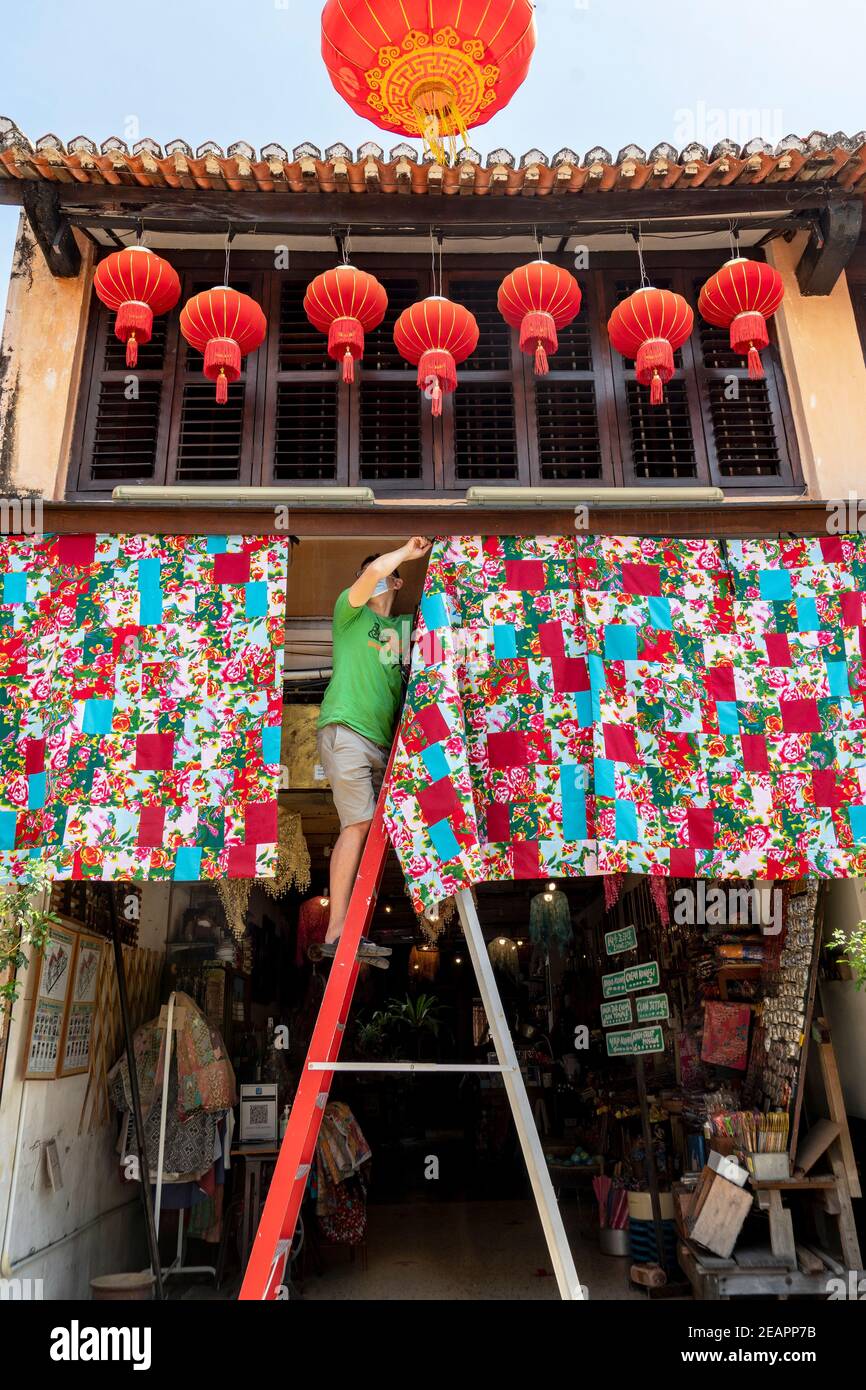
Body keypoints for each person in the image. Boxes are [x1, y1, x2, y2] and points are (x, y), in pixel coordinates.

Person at [316, 537, 432, 962]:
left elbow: (437, 647)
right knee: (358, 826)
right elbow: (370, 575)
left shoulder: (401, 633)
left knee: (380, 831)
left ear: (397, 585)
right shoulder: (349, 615)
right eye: (371, 573)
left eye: (385, 575)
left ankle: (354, 929)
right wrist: (404, 552)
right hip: (345, 730)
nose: (376, 579)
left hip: (383, 747)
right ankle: (337, 930)